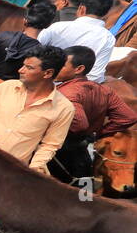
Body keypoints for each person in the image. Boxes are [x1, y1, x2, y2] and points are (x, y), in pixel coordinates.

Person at [0, 46, 75, 175]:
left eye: (29, 68)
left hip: (9, 172)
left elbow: (50, 145)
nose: (21, 70)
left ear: (48, 73)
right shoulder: (7, 87)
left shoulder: (64, 108)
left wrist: (35, 169)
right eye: (23, 65)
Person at [51, 45, 137, 183]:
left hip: (59, 154)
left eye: (61, 65)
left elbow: (80, 124)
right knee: (84, 197)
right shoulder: (104, 90)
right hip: (84, 154)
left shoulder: (66, 93)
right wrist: (99, 133)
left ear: (79, 69)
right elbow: (129, 116)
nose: (55, 68)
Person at [38, 0, 116, 81]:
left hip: (43, 81)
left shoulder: (57, 27)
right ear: (107, 14)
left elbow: (35, 50)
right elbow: (95, 76)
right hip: (76, 88)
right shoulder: (107, 38)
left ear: (81, 9)